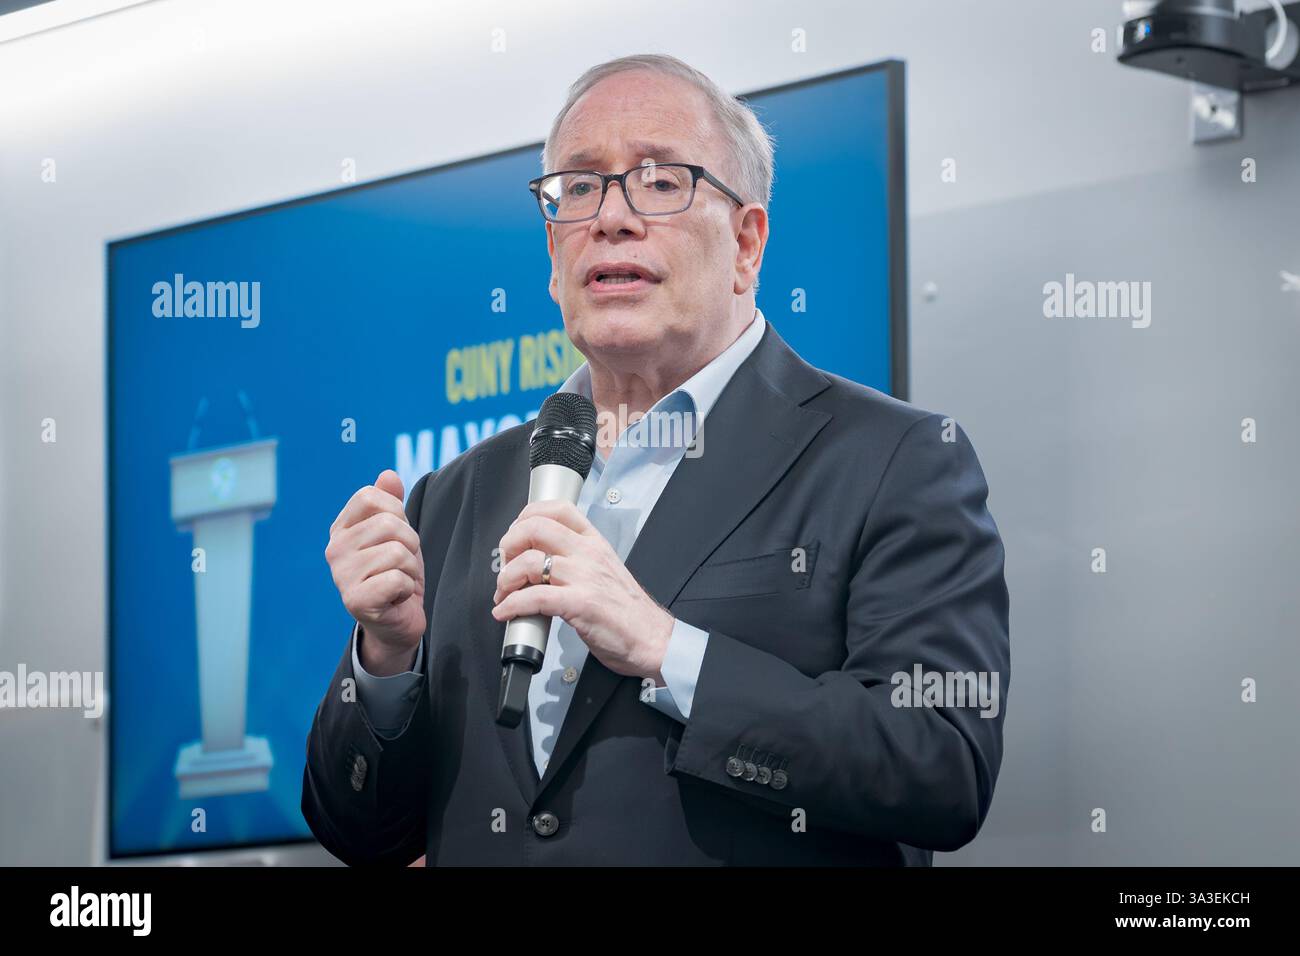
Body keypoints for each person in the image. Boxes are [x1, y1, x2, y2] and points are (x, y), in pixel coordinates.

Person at [302, 53, 1010, 866]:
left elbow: (940, 765)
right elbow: (358, 830)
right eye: (579, 186)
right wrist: (384, 659)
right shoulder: (452, 498)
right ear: (552, 254)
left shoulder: (894, 460)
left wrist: (663, 646)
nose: (611, 217)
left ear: (747, 243)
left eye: (661, 181)